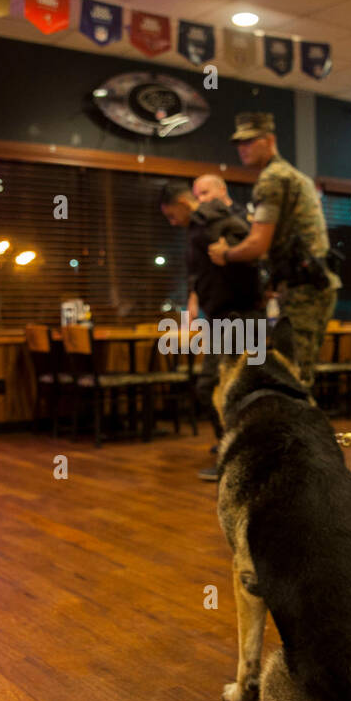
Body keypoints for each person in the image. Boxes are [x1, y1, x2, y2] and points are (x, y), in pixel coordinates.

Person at [207, 113, 338, 389]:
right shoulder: (292, 175)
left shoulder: (272, 179)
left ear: (270, 140)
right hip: (310, 283)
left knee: (295, 375)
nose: (243, 148)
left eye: (250, 141)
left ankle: (298, 431)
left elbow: (257, 245)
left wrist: (225, 254)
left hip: (304, 286)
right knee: (300, 371)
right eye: (239, 143)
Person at [159, 181, 260, 480]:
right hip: (222, 316)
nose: (171, 222)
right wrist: (194, 298)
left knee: (233, 389)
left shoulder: (209, 219)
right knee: (224, 389)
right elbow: (200, 271)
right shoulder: (196, 228)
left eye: (170, 215)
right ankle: (237, 454)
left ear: (181, 203)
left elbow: (249, 246)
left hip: (239, 316)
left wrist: (229, 252)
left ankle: (239, 459)